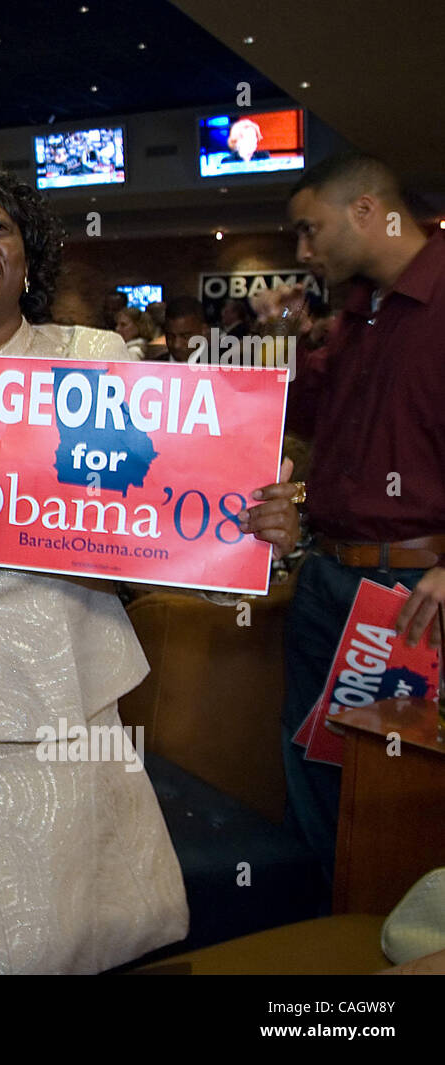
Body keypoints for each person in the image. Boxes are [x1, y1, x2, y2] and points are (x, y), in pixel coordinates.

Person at [0, 169, 300, 973]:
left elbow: (164, 514)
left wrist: (255, 530)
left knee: (48, 943)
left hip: (54, 710)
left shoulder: (96, 359)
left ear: (27, 256)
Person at [283, 150, 445, 883]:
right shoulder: (357, 313)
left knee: (405, 789)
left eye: (311, 230)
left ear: (365, 211)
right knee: (316, 763)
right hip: (328, 577)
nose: (303, 251)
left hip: (413, 591)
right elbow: (314, 422)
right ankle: (329, 931)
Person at [161, 295, 209, 363]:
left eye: (185, 337)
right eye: (170, 337)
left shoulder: (222, 368)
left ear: (204, 331)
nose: (176, 345)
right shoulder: (151, 367)